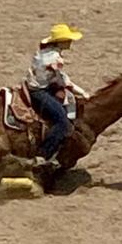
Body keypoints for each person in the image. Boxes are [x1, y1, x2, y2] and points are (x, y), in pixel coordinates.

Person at [25, 23, 90, 165]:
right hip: (39, 91)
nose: (70, 42)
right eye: (68, 39)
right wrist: (82, 92)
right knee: (62, 122)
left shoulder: (45, 52)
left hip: (36, 85)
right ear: (61, 42)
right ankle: (43, 154)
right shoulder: (55, 59)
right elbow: (63, 81)